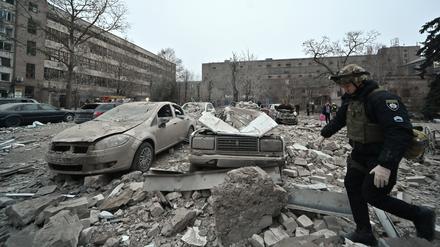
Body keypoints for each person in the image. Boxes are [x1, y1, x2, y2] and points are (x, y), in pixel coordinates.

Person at [321, 64, 436, 245]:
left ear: (359, 81)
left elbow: (399, 132)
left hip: (380, 157)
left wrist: (386, 164)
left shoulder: (382, 99)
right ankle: (364, 232)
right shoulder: (352, 99)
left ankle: (421, 215)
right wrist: (325, 133)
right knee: (352, 184)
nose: (344, 88)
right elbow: (339, 120)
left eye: (347, 84)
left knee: (373, 195)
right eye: (342, 85)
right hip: (360, 154)